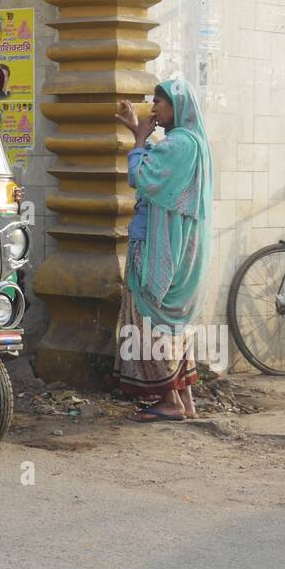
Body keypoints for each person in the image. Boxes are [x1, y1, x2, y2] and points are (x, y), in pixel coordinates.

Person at [112, 79, 213, 422]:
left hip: (158, 246)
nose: (153, 108)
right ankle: (184, 399)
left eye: (159, 102)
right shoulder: (191, 143)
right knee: (174, 325)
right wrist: (137, 133)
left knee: (147, 320)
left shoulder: (178, 144)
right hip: (181, 245)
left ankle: (169, 398)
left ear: (177, 107)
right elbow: (162, 169)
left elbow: (141, 176)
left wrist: (139, 139)